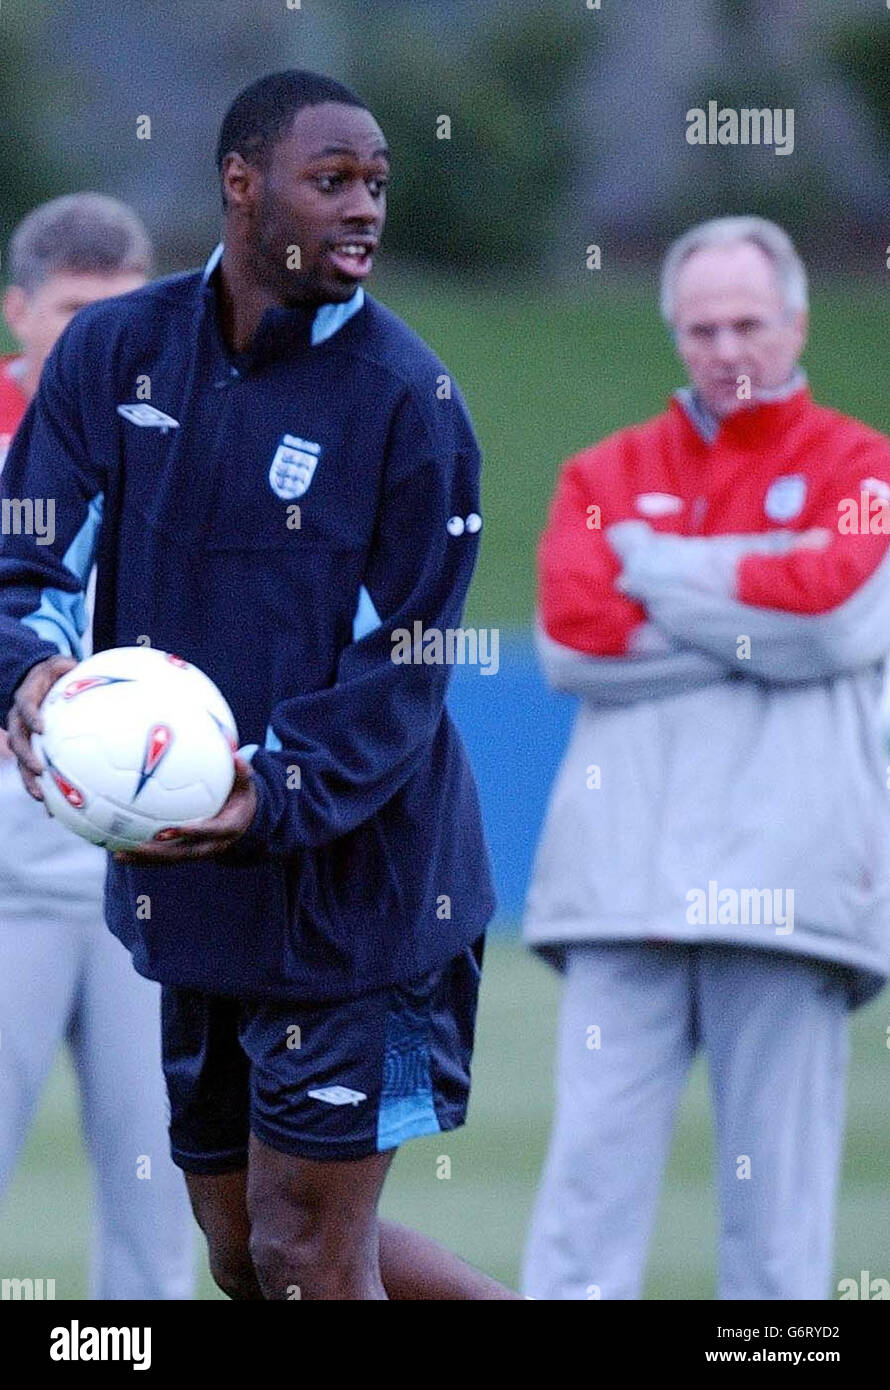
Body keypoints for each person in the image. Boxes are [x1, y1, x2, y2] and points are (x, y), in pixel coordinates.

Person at [0, 71, 511, 1301]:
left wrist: (268, 792)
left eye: (376, 185)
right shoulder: (115, 352)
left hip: (363, 898)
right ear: (241, 185)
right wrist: (32, 678)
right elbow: (27, 550)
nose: (363, 210)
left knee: (305, 1250)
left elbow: (408, 665)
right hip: (194, 895)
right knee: (243, 1253)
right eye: (330, 180)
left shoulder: (412, 405)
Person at [522, 215, 890, 1300]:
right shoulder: (602, 468)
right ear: (674, 333)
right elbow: (571, 638)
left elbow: (832, 623)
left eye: (746, 323)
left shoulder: (863, 464)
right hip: (617, 882)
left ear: (795, 323)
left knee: (775, 1222)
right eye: (700, 328)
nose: (725, 348)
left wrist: (655, 568)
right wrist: (757, 597)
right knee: (584, 1197)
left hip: (785, 884)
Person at [0, 193, 195, 1299]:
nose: (96, 342)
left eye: (119, 315)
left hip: (149, 858)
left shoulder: (175, 442)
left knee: (159, 1196)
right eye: (75, 312)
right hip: (7, 869)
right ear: (19, 310)